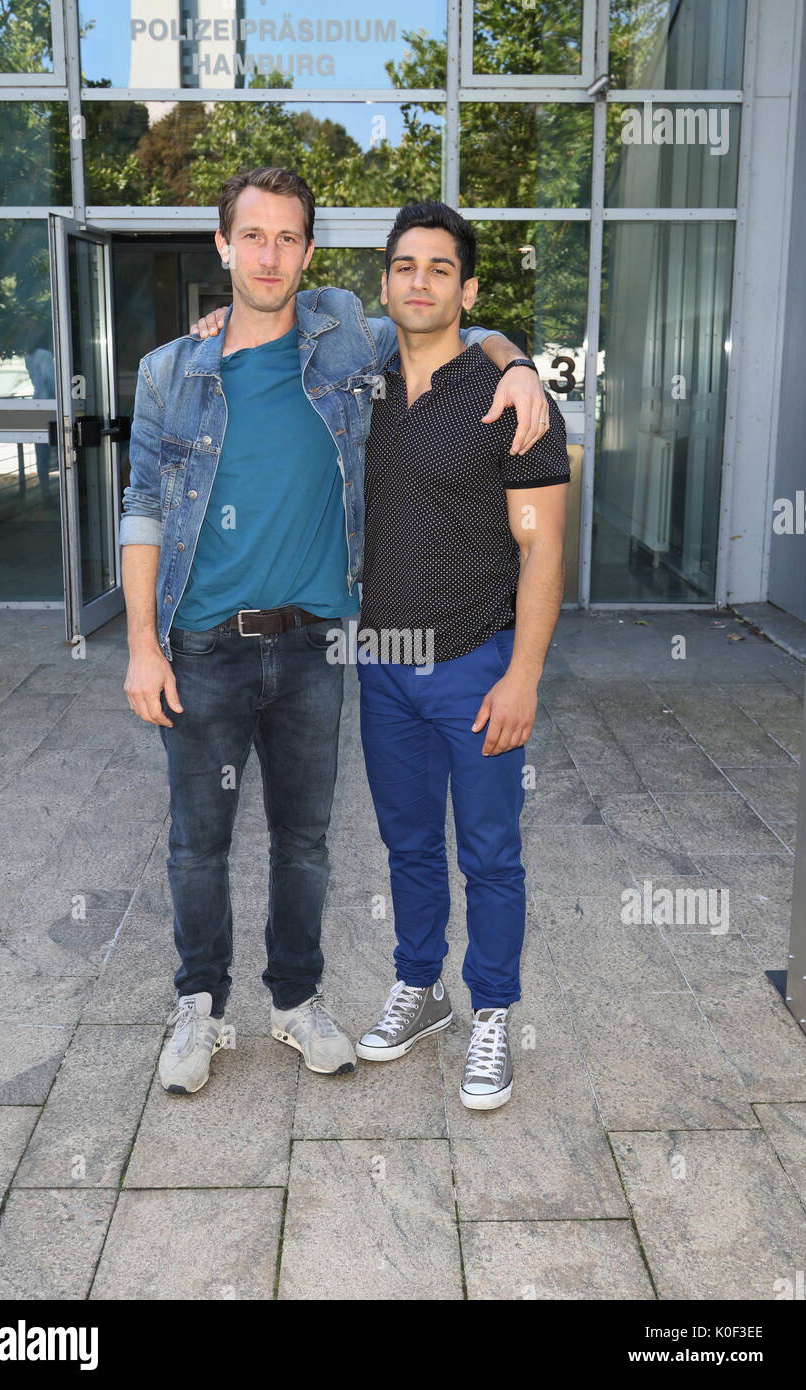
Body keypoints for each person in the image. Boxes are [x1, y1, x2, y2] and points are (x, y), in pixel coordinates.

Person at [120, 167, 550, 1095]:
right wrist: (142, 647)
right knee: (199, 842)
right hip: (201, 645)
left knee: (306, 841)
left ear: (309, 253)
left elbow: (446, 323)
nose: (270, 256)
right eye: (254, 237)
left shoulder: (340, 344)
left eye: (289, 239)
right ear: (223, 246)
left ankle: (298, 1001)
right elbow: (144, 510)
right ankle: (198, 1006)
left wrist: (515, 359)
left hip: (319, 646)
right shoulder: (170, 374)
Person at [352, 202, 570, 1110]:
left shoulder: (511, 402)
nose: (420, 282)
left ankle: (492, 1014)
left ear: (467, 290)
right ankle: (421, 989)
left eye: (440, 269)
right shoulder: (360, 386)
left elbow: (544, 548)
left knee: (490, 855)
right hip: (380, 662)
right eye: (406, 266)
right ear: (387, 282)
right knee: (407, 846)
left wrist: (523, 673)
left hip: (479, 662)